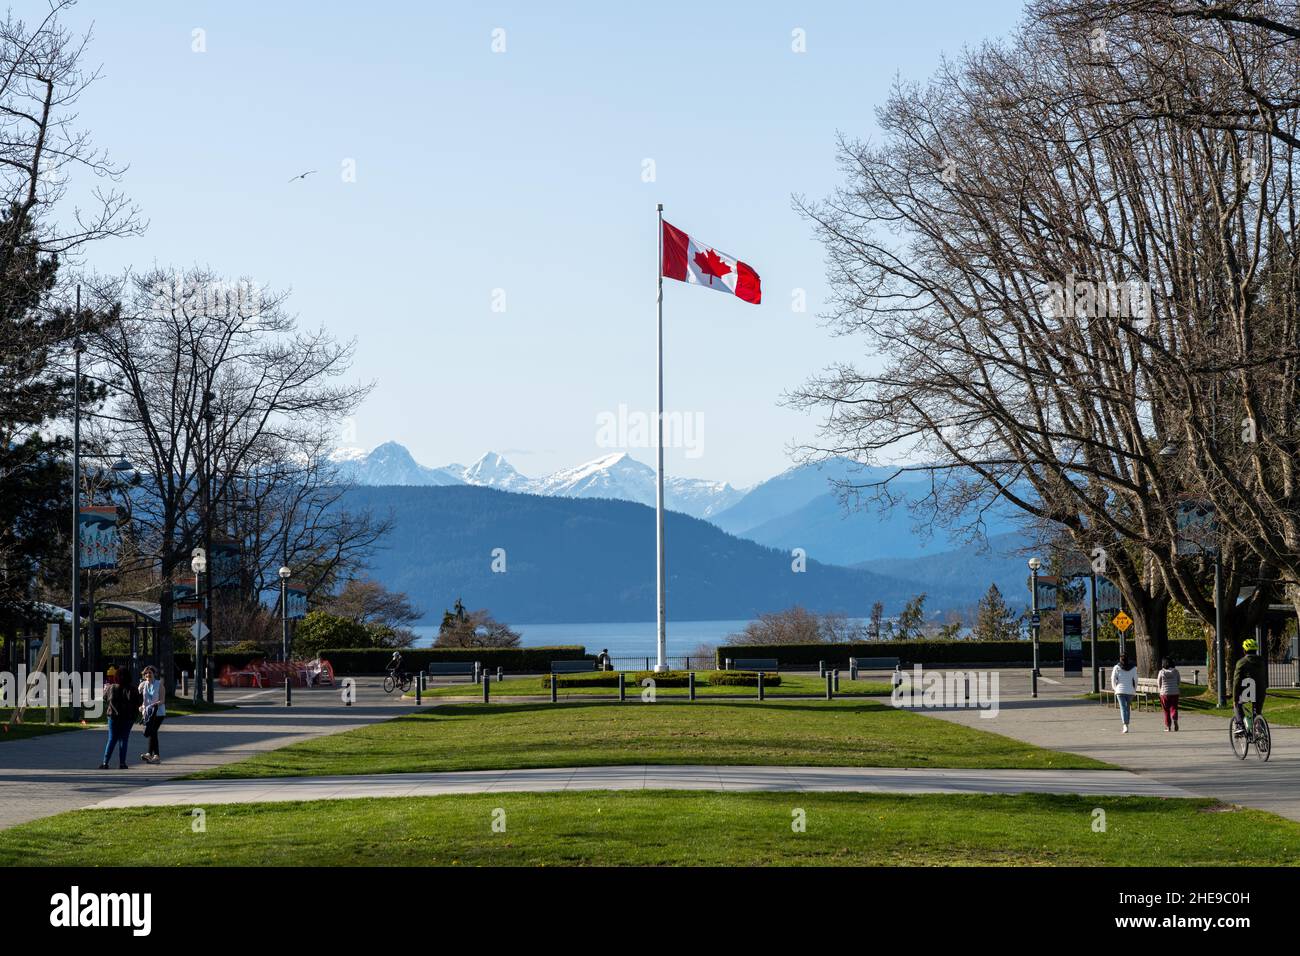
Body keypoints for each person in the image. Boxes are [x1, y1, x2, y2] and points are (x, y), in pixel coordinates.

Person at [98, 668, 140, 769]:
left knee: (112, 739)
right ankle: (122, 763)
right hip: (128, 717)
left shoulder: (111, 687)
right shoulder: (133, 689)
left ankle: (105, 762)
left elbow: (104, 698)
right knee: (124, 740)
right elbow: (138, 702)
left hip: (113, 716)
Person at [1232, 638, 1269, 735]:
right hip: (1260, 691)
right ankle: (1260, 733)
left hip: (1248, 690)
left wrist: (1235, 697)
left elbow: (1236, 681)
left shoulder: (1241, 662)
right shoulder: (1261, 661)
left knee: (1237, 704)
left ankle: (1240, 725)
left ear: (1244, 650)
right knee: (1257, 712)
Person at [138, 666, 166, 764]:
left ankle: (155, 755)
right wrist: (141, 706)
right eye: (146, 673)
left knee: (153, 731)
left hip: (158, 713)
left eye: (150, 673)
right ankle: (150, 754)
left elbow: (162, 700)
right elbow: (143, 699)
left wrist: (155, 704)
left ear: (154, 674)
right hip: (148, 713)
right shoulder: (143, 685)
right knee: (152, 732)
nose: (148, 675)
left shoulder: (159, 685)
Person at [1111, 653, 1138, 733]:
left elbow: (1113, 678)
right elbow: (1136, 680)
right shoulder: (1133, 668)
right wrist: (1134, 689)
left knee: (1123, 708)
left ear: (1120, 659)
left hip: (1120, 690)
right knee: (1127, 708)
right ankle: (1127, 724)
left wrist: (1115, 688)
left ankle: (1125, 725)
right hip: (1130, 691)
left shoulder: (1117, 667)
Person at [1157, 657, 1180, 732]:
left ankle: (1168, 726)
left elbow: (1159, 682)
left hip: (1164, 693)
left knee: (1166, 710)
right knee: (1174, 707)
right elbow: (1178, 681)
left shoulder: (1161, 672)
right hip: (1175, 692)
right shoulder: (1176, 671)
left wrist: (1160, 690)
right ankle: (1174, 718)